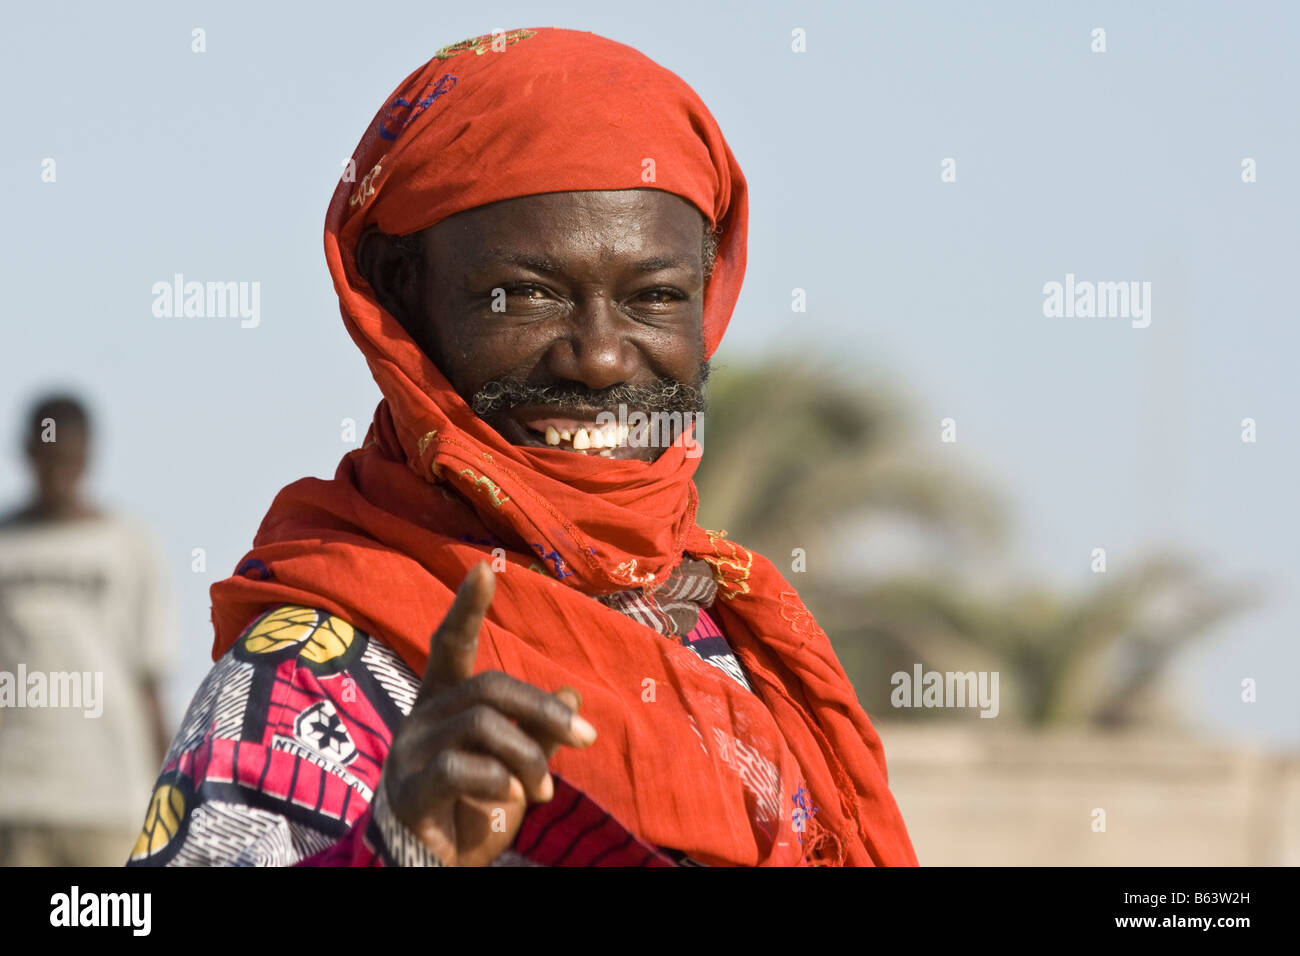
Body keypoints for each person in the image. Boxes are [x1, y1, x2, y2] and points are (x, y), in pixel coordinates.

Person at [127, 27, 918, 867]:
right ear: (403, 293)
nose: (602, 357)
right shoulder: (318, 675)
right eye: (528, 295)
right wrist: (398, 849)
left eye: (654, 297)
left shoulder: (744, 640)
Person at [0, 394, 174, 866]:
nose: (57, 471)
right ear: (27, 453)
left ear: (87, 458)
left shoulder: (128, 546)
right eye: (47, 457)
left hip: (109, 800)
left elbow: (148, 679)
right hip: (16, 801)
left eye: (68, 459)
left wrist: (172, 788)